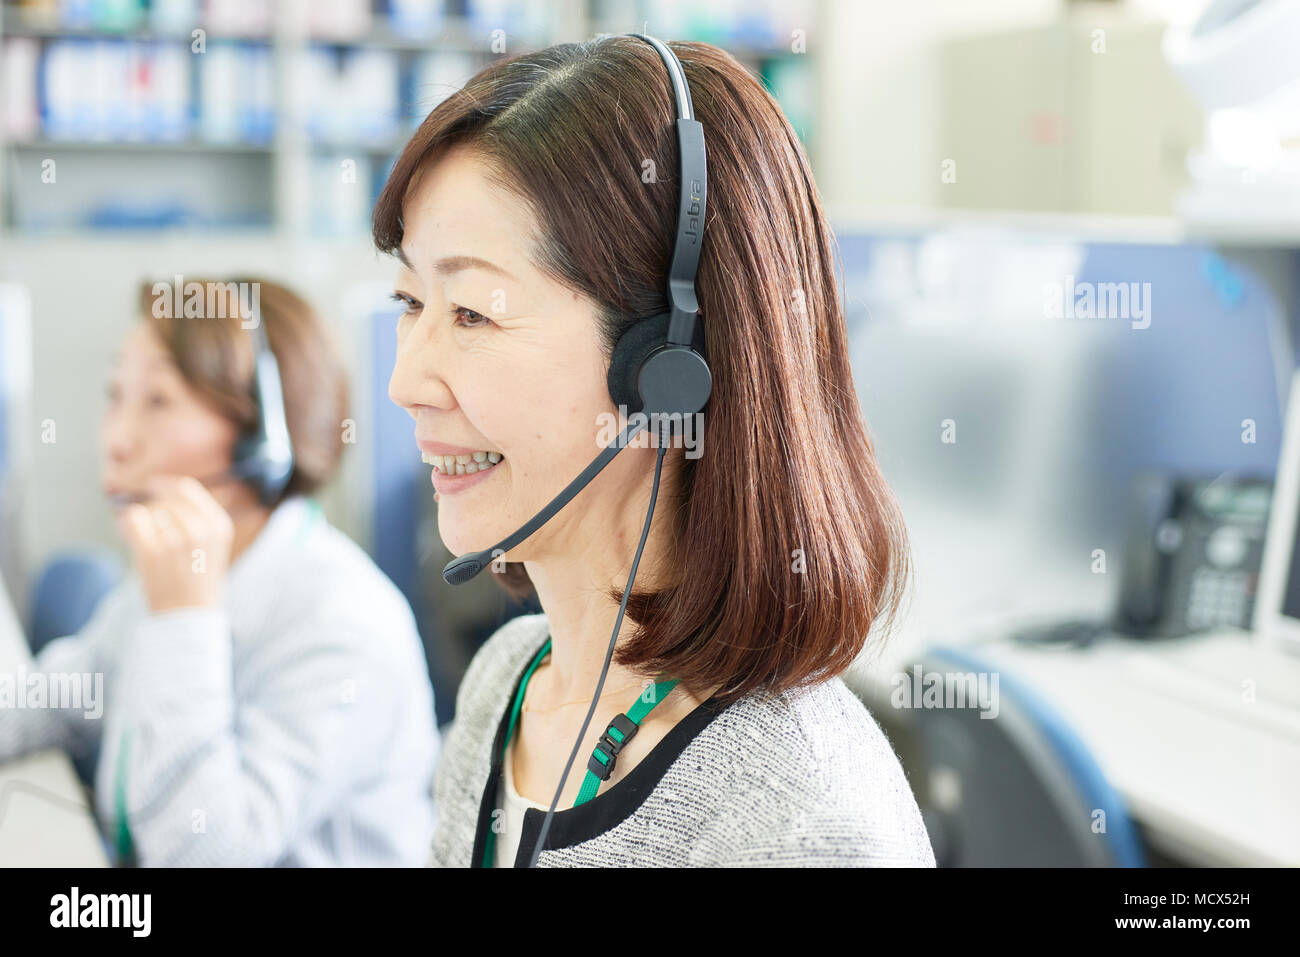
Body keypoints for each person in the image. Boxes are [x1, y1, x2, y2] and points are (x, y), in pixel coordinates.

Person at [379, 36, 935, 867]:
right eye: (408, 299)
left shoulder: (802, 821)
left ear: (665, 366)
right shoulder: (508, 685)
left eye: (471, 314)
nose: (405, 381)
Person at [0, 278, 438, 866]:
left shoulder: (345, 625)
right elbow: (52, 704)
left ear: (264, 439)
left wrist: (185, 620)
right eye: (115, 395)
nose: (116, 440)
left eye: (157, 401)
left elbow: (206, 854)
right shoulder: (171, 578)